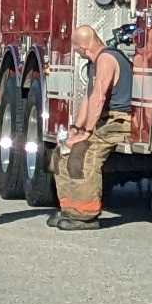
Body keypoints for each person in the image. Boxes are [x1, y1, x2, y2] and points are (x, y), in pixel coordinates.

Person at [47, 18, 138, 230]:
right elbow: (88, 99)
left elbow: (99, 96)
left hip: (119, 120)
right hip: (103, 119)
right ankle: (70, 209)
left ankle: (85, 215)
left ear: (84, 47)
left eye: (77, 49)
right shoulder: (94, 63)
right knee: (61, 153)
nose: (77, 53)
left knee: (86, 154)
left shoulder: (106, 59)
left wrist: (87, 132)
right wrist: (75, 129)